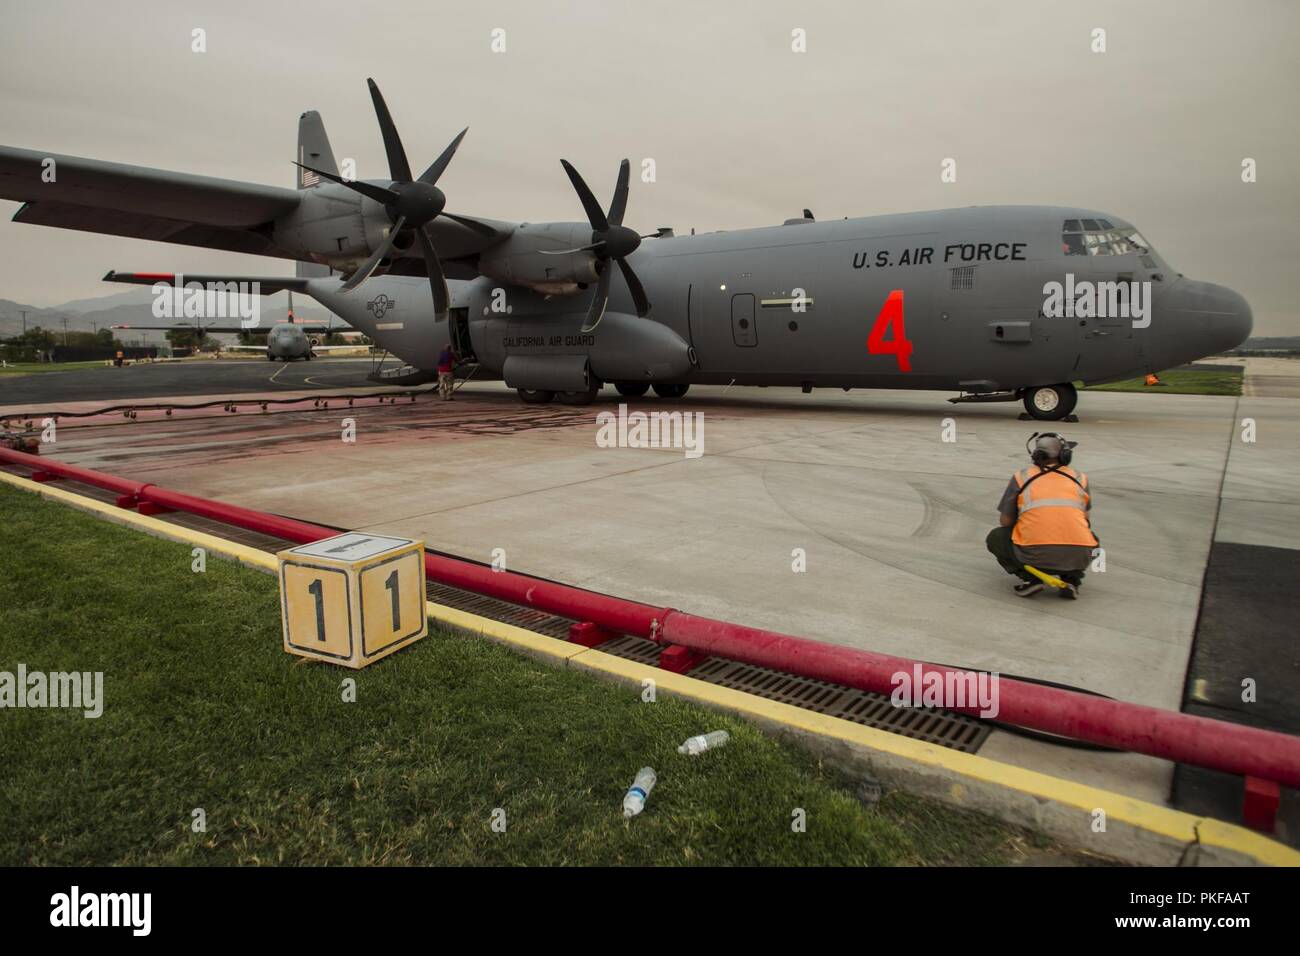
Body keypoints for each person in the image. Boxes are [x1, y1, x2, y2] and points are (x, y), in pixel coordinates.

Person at [985, 432, 1098, 599]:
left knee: (996, 537)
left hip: (1034, 556)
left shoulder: (1021, 477)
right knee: (1092, 537)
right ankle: (1072, 579)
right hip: (1077, 556)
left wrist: (1027, 522)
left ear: (1036, 455)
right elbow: (1086, 521)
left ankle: (1031, 579)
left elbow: (1005, 521)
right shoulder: (1080, 478)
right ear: (1065, 456)